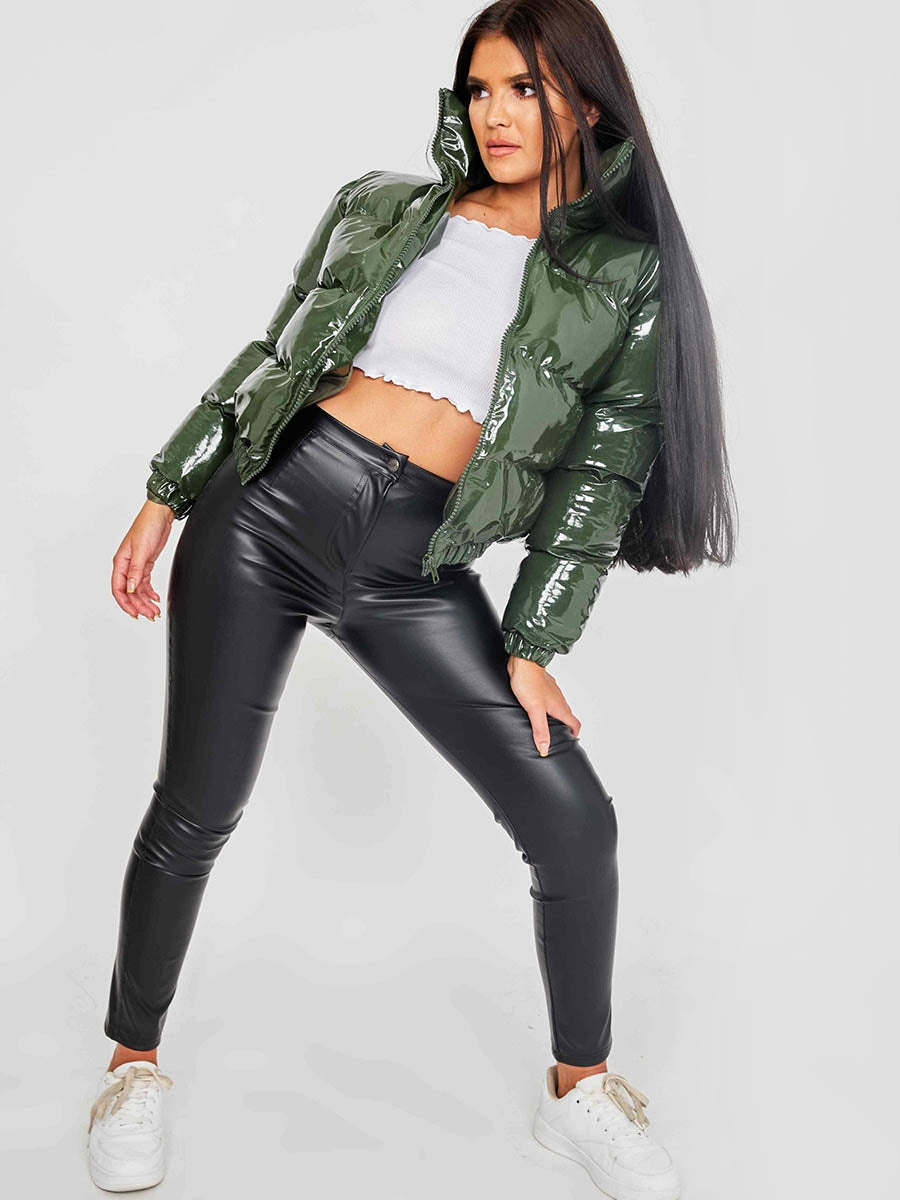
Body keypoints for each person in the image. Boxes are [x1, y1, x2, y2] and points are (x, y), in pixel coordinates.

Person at [88, 1, 735, 1195]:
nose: (496, 114)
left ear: (587, 103)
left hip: (414, 566)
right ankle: (132, 1066)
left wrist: (533, 646)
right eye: (480, 89)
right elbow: (276, 357)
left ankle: (580, 1090)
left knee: (573, 822)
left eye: (526, 89)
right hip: (265, 510)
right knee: (197, 807)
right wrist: (168, 490)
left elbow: (600, 478)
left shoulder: (625, 276)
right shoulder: (383, 206)